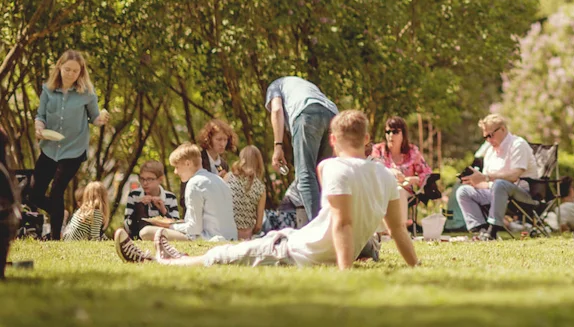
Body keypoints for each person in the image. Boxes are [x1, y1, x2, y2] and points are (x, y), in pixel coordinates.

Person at [114, 110, 418, 270]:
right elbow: (398, 231)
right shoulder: (385, 176)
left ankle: (160, 261)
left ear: (333, 140)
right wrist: (414, 266)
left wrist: (344, 270)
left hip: (294, 250)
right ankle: (173, 255)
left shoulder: (332, 167)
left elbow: (343, 223)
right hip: (294, 241)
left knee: (224, 256)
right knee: (230, 252)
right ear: (366, 138)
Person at [30, 51, 108, 239]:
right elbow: (41, 116)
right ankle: (60, 212)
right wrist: (39, 126)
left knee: (57, 190)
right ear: (59, 67)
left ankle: (55, 238)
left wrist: (101, 118)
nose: (71, 74)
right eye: (67, 69)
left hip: (74, 149)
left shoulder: (87, 94)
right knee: (34, 194)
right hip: (50, 148)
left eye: (75, 71)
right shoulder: (48, 90)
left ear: (81, 72)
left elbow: (94, 118)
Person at [264, 76, 339, 226]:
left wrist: (278, 146)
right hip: (333, 115)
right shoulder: (303, 85)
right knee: (322, 176)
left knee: (305, 176)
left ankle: (318, 228)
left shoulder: (275, 86)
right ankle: (332, 224)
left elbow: (277, 109)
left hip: (306, 113)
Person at [454, 114, 538, 241]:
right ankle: (482, 231)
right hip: (497, 194)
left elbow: (514, 176)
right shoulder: (490, 152)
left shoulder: (518, 144)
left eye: (490, 135)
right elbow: (487, 183)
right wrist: (474, 182)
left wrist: (485, 177)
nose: (488, 140)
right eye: (485, 137)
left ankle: (492, 230)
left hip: (523, 195)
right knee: (463, 191)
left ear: (502, 129)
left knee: (500, 184)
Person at [141, 144, 236, 242]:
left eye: (177, 167)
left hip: (209, 239)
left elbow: (194, 228)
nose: (175, 172)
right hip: (231, 238)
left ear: (188, 163)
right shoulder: (218, 180)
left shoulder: (194, 183)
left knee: (146, 232)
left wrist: (169, 226)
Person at [369, 116, 432, 198]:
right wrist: (391, 172)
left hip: (405, 197)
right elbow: (373, 170)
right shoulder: (378, 150)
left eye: (395, 132)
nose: (391, 135)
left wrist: (415, 180)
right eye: (388, 132)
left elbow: (428, 175)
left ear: (403, 134)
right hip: (381, 195)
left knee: (399, 191)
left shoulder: (412, 152)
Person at [123, 160, 180, 239]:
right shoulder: (134, 195)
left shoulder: (170, 197)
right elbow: (128, 226)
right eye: (142, 179)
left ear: (160, 179)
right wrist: (139, 207)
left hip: (163, 237)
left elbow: (176, 226)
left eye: (149, 179)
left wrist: (164, 211)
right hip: (139, 237)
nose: (145, 183)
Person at [226, 146, 267, 241]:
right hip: (246, 236)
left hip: (227, 231)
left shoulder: (229, 177)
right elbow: (258, 225)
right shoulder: (261, 188)